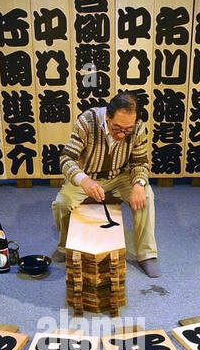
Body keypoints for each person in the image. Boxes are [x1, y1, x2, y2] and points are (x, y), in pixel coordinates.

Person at [51, 91, 160, 277]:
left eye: (127, 130)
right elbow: (66, 158)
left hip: (120, 177)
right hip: (87, 177)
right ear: (107, 116)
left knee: (146, 196)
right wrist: (83, 180)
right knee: (62, 202)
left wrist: (139, 184)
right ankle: (64, 246)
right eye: (117, 128)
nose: (122, 134)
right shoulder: (88, 121)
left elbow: (140, 162)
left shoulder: (138, 128)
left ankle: (146, 255)